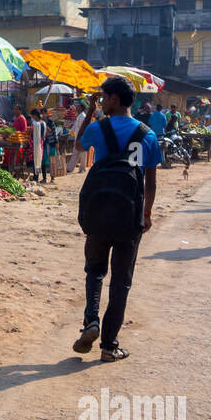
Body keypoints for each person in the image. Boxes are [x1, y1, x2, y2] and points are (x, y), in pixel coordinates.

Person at [72, 77, 160, 362]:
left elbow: (78, 146)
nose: (101, 100)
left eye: (104, 96)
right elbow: (151, 182)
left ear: (114, 99)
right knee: (121, 281)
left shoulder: (99, 128)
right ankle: (109, 346)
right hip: (130, 214)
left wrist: (89, 112)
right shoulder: (148, 135)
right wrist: (146, 214)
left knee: (95, 271)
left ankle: (90, 322)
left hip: (98, 211)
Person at [70, 101, 90, 174]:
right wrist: (69, 133)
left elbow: (85, 128)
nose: (77, 108)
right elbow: (75, 127)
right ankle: (70, 168)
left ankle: (82, 168)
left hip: (82, 138)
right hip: (77, 137)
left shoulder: (83, 117)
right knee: (75, 153)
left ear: (81, 108)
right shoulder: (79, 116)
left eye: (78, 107)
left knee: (83, 154)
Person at [29, 108, 47, 182]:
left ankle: (36, 177)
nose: (32, 117)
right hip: (41, 143)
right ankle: (42, 177)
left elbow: (32, 133)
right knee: (40, 161)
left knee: (37, 160)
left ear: (35, 116)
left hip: (37, 144)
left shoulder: (37, 124)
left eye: (33, 116)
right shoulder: (43, 123)